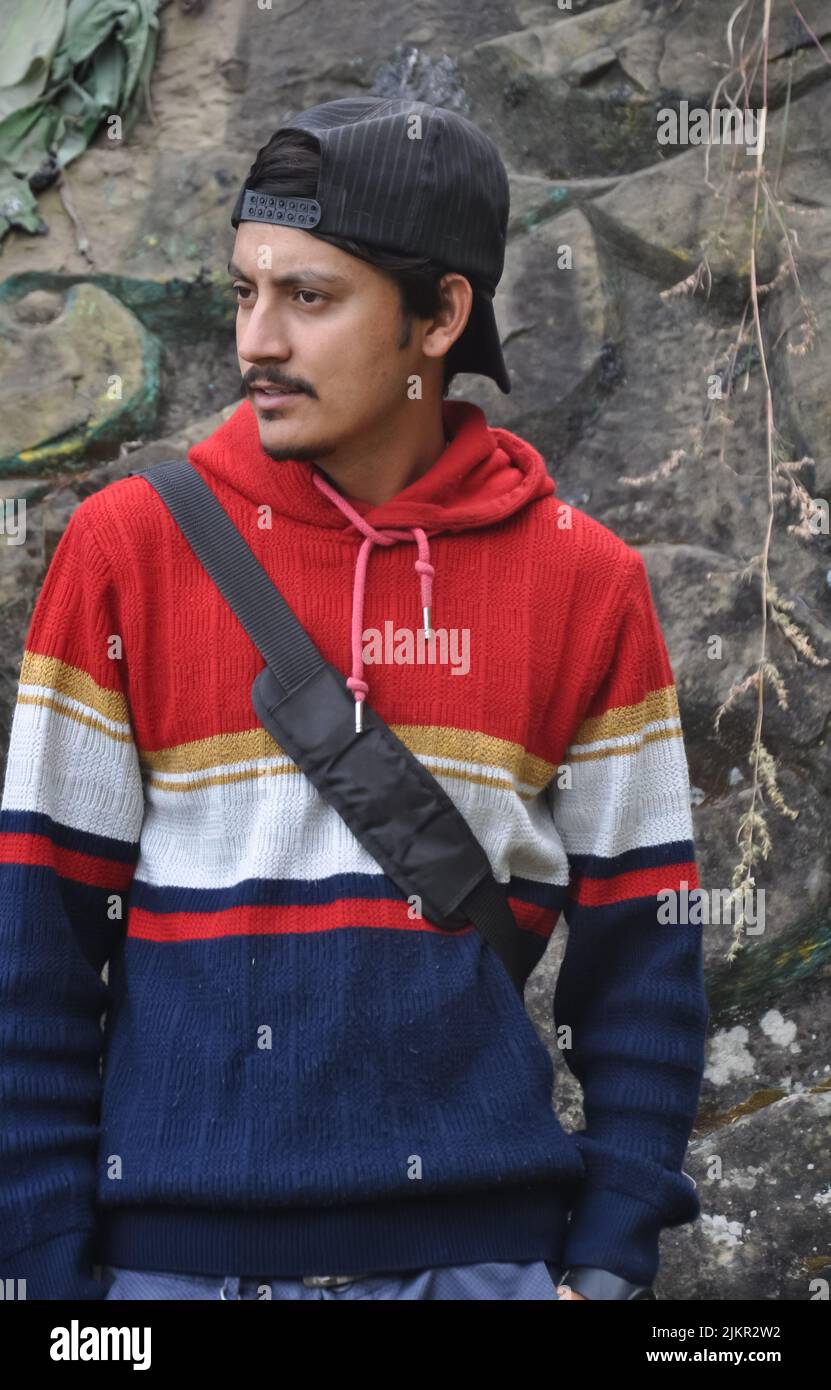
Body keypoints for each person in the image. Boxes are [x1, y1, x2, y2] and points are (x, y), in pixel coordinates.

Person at [0, 98, 708, 1301]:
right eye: (244, 291)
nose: (257, 340)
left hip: (481, 1266)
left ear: (441, 315)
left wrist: (604, 1268)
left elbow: (648, 956)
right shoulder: (127, 552)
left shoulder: (586, 582)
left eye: (309, 297)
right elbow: (33, 958)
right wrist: (50, 1291)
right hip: (177, 1275)